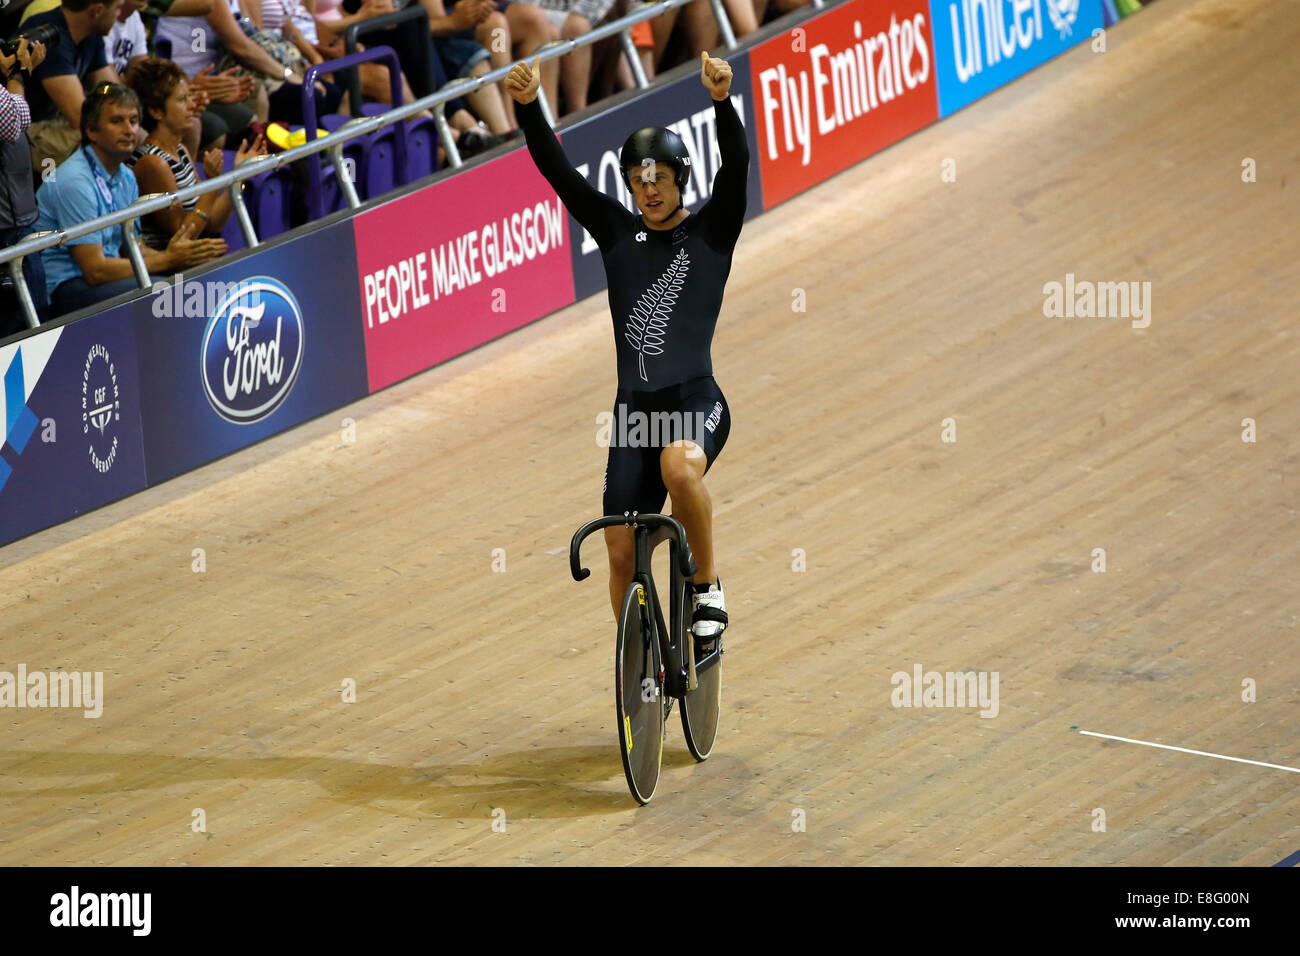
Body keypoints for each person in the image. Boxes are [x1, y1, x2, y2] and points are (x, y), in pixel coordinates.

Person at [510, 51, 747, 652]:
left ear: (679, 179)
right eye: (639, 182)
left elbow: (737, 167)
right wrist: (529, 107)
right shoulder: (617, 230)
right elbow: (559, 174)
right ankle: (641, 664)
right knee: (620, 549)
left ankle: (707, 587)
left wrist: (722, 105)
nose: (648, 191)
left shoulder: (712, 230)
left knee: (677, 466)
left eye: (659, 180)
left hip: (696, 399)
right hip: (634, 414)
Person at [34, 83, 227, 317]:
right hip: (66, 288)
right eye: (117, 121)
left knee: (208, 275)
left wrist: (185, 256)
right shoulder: (76, 181)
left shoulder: (125, 175)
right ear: (92, 131)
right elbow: (95, 270)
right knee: (170, 295)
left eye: (134, 121)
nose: (129, 130)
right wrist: (168, 259)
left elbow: (135, 247)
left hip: (105, 275)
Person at [125, 57, 267, 248]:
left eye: (190, 97)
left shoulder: (180, 150)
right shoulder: (153, 163)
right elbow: (183, 235)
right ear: (156, 111)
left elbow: (213, 221)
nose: (192, 105)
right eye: (183, 100)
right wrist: (212, 184)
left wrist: (240, 174)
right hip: (168, 273)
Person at [22, 0, 124, 172]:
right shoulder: (50, 35)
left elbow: (113, 93)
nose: (119, 15)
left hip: (58, 125)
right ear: (98, 10)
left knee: (131, 131)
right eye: (118, 8)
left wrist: (121, 114)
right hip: (25, 134)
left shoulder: (91, 33)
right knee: (108, 136)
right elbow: (80, 118)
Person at [0, 37, 50, 333]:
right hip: (9, 228)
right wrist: (18, 73)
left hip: (17, 222)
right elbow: (13, 121)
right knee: (24, 328)